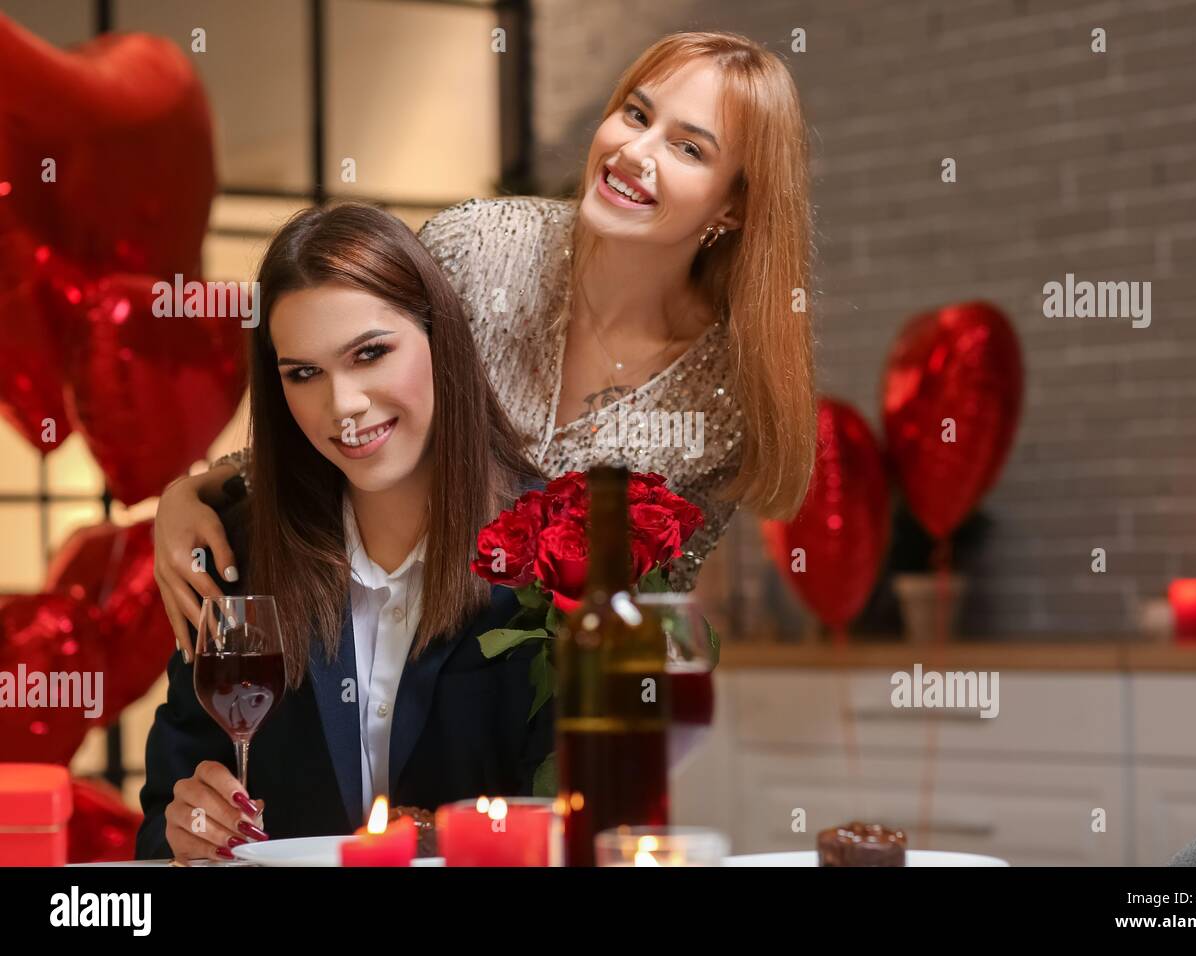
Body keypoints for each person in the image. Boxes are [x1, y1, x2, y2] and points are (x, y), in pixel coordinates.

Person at [152, 31, 819, 656]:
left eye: (689, 148)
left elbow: (650, 612)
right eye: (637, 115)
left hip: (539, 713)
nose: (636, 154)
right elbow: (348, 398)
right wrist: (195, 495)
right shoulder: (479, 244)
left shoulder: (727, 395)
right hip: (375, 643)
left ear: (733, 205)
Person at [136, 203, 548, 862]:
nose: (343, 405)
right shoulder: (233, 556)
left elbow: (593, 821)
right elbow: (161, 824)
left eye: (371, 354)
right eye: (304, 373)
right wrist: (189, 833)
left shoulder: (554, 556)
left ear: (440, 339)